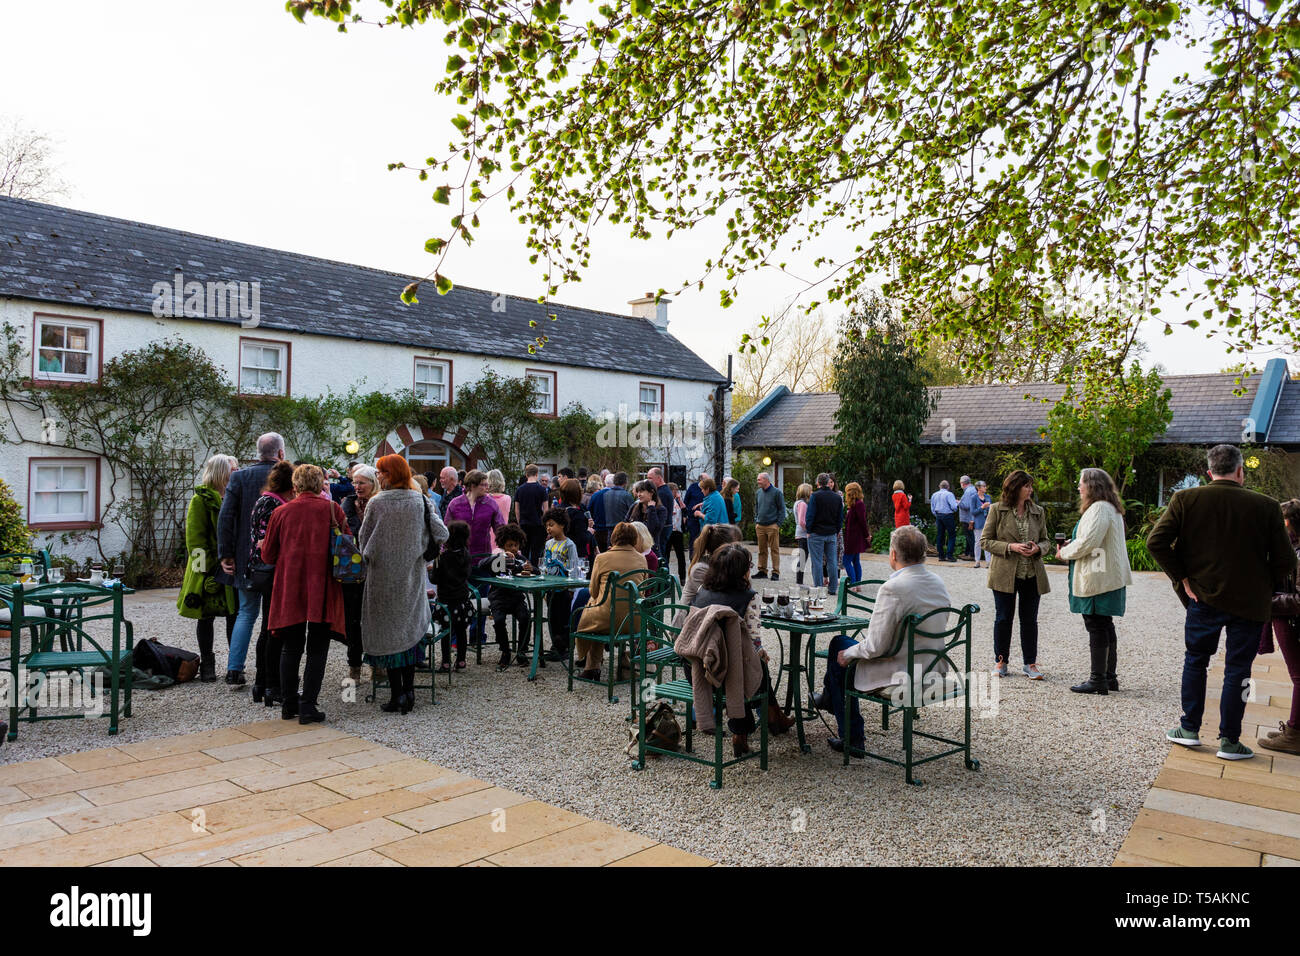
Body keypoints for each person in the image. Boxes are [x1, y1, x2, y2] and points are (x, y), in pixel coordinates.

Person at [1148, 444, 1296, 760]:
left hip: (1203, 598)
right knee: (1238, 669)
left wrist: (1184, 578)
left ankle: (1188, 729)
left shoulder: (1185, 499)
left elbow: (1155, 542)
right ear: (1240, 471)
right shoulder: (1267, 506)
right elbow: (1285, 559)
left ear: (1209, 472)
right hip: (1250, 603)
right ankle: (1230, 740)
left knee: (1196, 661)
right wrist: (1263, 583)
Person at [812, 526, 952, 755]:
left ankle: (852, 737)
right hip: (932, 664)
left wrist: (849, 654)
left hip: (904, 669)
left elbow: (876, 646)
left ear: (894, 555)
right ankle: (830, 697)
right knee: (841, 648)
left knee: (839, 647)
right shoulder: (937, 581)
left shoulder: (894, 588)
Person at [684, 542, 795, 756]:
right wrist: (760, 653)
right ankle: (764, 721)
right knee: (756, 666)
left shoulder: (701, 591)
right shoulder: (749, 597)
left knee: (747, 664)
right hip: (729, 677)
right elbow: (753, 644)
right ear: (744, 570)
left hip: (698, 669)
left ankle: (771, 718)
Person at [260, 465, 348, 725]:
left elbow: (268, 556)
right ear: (321, 484)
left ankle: (288, 704)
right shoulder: (333, 509)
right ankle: (308, 705)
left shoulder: (281, 512)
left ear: (295, 485)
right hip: (322, 586)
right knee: (318, 649)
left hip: (291, 586)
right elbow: (348, 545)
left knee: (291, 647)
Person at [359, 454, 445, 714]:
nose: (378, 476)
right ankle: (408, 694)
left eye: (381, 472)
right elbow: (442, 533)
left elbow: (364, 543)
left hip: (382, 580)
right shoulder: (420, 500)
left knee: (388, 635)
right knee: (409, 633)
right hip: (412, 577)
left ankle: (397, 695)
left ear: (390, 474)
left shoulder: (376, 503)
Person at [217, 432, 286, 686]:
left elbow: (226, 517)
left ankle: (234, 670)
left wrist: (225, 554)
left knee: (246, 613)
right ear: (280, 453)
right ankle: (267, 673)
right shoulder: (286, 475)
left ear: (258, 453)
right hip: (278, 558)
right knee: (272, 616)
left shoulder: (239, 476)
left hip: (245, 558)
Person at [1057, 468, 1133, 695]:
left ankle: (1098, 679)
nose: (1078, 487)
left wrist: (1065, 552)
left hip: (1098, 576)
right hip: (1107, 574)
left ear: (1092, 486)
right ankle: (1109, 678)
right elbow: (1094, 538)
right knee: (1104, 624)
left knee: (1097, 625)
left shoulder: (1099, 508)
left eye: (1081, 483)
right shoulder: (1109, 508)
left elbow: (1088, 543)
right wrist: (1075, 540)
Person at [980, 469, 1050, 680]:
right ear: (1015, 487)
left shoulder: (1038, 511)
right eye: (1026, 486)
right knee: (1003, 619)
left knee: (1030, 621)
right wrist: (1011, 546)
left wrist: (1038, 548)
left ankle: (1030, 663)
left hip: (1031, 575)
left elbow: (1047, 541)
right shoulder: (996, 510)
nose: (1030, 490)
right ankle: (1001, 662)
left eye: (1030, 486)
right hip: (1004, 575)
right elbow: (984, 541)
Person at [178, 454, 238, 684]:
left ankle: (235, 664)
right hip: (207, 568)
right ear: (222, 472)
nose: (237, 473)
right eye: (233, 469)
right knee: (206, 617)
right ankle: (207, 664)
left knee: (235, 615)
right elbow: (195, 541)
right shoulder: (200, 500)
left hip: (231, 565)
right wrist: (206, 572)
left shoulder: (234, 497)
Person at [572, 522, 648, 680]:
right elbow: (642, 590)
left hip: (607, 619)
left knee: (595, 613)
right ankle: (594, 666)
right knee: (603, 611)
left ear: (613, 538)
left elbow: (593, 591)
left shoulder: (602, 558)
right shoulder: (641, 559)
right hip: (634, 620)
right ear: (634, 538)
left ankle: (591, 666)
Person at [247, 460, 295, 704]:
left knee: (269, 627)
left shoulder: (266, 500)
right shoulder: (273, 504)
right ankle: (268, 684)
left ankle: (263, 684)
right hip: (270, 570)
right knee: (272, 629)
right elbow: (266, 542)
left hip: (262, 569)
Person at [1260, 499, 1300, 754]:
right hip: (1288, 618)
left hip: (1292, 621)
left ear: (1287, 522)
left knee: (1299, 676)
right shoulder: (1293, 547)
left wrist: (1267, 601)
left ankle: (1295, 734)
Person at [475, 523, 534, 670]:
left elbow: (535, 570)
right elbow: (481, 564)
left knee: (525, 617)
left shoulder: (520, 558)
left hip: (516, 596)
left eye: (516, 545)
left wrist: (531, 569)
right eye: (510, 545)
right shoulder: (498, 557)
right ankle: (505, 651)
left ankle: (521, 650)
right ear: (503, 545)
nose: (514, 548)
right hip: (498, 597)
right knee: (499, 620)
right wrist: (500, 556)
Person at [338, 464, 377, 687]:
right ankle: (354, 666)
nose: (357, 486)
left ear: (373, 483)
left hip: (375, 569)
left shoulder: (379, 503)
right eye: (355, 482)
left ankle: (377, 664)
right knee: (353, 620)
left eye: (362, 482)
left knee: (375, 618)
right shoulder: (347, 504)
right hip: (352, 571)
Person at [675, 523, 744, 626]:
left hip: (708, 621)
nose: (741, 550)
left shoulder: (722, 566)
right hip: (688, 627)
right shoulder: (701, 569)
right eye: (736, 546)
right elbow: (719, 599)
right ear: (723, 549)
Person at [432, 520, 473, 672]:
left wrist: (433, 569)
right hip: (462, 599)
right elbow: (468, 574)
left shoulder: (443, 557)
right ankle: (461, 661)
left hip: (446, 600)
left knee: (445, 631)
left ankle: (446, 662)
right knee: (462, 631)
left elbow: (434, 578)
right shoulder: (466, 555)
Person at [541, 507, 580, 662]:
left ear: (562, 525)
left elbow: (574, 565)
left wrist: (571, 588)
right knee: (552, 618)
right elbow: (545, 563)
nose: (549, 528)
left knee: (563, 618)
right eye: (547, 525)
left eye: (552, 524)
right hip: (551, 587)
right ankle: (555, 645)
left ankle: (565, 647)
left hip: (563, 588)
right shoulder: (548, 544)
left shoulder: (569, 545)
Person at [445, 469, 505, 558]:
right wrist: (443, 552)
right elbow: (446, 530)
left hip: (483, 557)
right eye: (483, 485)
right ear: (473, 486)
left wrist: (507, 548)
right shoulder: (455, 504)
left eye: (487, 484)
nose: (487, 487)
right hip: (458, 558)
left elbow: (501, 529)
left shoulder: (491, 504)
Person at [805, 473, 844, 595]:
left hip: (816, 532)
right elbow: (840, 517)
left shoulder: (815, 496)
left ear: (818, 483)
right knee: (832, 561)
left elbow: (810, 515)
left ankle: (818, 588)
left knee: (817, 561)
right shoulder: (837, 497)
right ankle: (832, 588)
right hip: (831, 532)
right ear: (828, 482)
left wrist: (809, 530)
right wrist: (837, 531)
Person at [753, 472, 787, 581]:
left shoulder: (777, 493)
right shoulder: (758, 492)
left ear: (766, 480)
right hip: (760, 526)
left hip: (772, 525)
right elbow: (756, 508)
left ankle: (775, 572)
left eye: (759, 480)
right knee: (761, 550)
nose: (758, 482)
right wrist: (756, 521)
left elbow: (782, 509)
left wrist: (778, 524)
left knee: (774, 550)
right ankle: (762, 571)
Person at [590, 471, 635, 552]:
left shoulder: (605, 494)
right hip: (622, 531)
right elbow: (633, 513)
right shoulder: (626, 495)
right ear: (625, 482)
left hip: (607, 530)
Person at [514, 463, 549, 567]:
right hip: (538, 524)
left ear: (526, 474)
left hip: (524, 524)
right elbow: (546, 510)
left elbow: (517, 509)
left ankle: (523, 574)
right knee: (536, 553)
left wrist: (519, 522)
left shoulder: (520, 489)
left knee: (524, 553)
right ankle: (535, 573)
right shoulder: (542, 490)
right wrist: (546, 524)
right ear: (537, 474)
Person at [558, 477, 595, 563]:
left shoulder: (559, 510)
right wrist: (589, 531)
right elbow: (581, 538)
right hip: (576, 554)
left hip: (561, 551)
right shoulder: (576, 514)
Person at [626, 479, 666, 555]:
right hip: (633, 550)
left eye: (641, 491)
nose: (638, 495)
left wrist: (651, 509)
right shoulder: (634, 507)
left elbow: (652, 529)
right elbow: (626, 524)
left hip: (651, 551)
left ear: (651, 492)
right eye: (637, 492)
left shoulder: (660, 510)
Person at [842, 481, 868, 585]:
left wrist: (866, 535)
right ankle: (858, 584)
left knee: (846, 561)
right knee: (856, 561)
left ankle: (853, 584)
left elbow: (863, 521)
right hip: (853, 536)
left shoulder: (859, 504)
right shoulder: (854, 505)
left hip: (853, 538)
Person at [648, 467, 677, 556]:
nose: (648, 481)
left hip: (663, 527)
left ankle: (663, 570)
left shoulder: (662, 493)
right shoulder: (664, 490)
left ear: (659, 478)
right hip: (666, 526)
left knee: (660, 554)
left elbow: (661, 513)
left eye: (650, 478)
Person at [930, 479, 959, 563]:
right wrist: (956, 506)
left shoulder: (934, 495)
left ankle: (941, 556)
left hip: (938, 516)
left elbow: (932, 508)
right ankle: (949, 556)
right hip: (948, 515)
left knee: (940, 535)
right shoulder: (949, 494)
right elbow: (954, 507)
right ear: (948, 487)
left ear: (939, 486)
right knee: (951, 535)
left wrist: (937, 515)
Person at [664, 482, 688, 581]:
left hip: (678, 531)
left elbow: (685, 510)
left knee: (681, 555)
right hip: (669, 530)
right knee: (666, 555)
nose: (677, 493)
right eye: (675, 491)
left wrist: (679, 499)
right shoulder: (666, 500)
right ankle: (666, 578)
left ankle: (682, 577)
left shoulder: (677, 501)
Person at [793, 483, 812, 585]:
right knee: (803, 558)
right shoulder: (803, 504)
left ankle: (799, 581)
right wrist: (809, 530)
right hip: (803, 533)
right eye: (810, 490)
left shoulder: (798, 502)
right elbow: (801, 521)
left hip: (800, 532)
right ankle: (799, 582)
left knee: (802, 557)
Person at [971, 480, 993, 569]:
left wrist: (989, 508)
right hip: (978, 523)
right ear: (978, 488)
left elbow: (991, 510)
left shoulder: (988, 497)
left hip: (988, 522)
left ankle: (988, 562)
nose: (985, 488)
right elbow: (973, 512)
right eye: (984, 486)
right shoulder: (974, 498)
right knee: (978, 542)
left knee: (987, 542)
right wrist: (982, 507)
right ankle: (977, 561)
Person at [958, 475, 979, 561]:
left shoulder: (968, 492)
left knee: (970, 536)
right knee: (969, 536)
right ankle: (967, 553)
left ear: (962, 483)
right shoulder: (973, 489)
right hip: (972, 517)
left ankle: (972, 554)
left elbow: (966, 505)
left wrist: (958, 502)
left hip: (967, 518)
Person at [683, 473, 707, 547]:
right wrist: (684, 515)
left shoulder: (708, 489)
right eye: (706, 479)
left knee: (703, 539)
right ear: (701, 480)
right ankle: (692, 557)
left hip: (704, 517)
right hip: (693, 517)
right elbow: (685, 501)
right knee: (693, 538)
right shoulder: (693, 487)